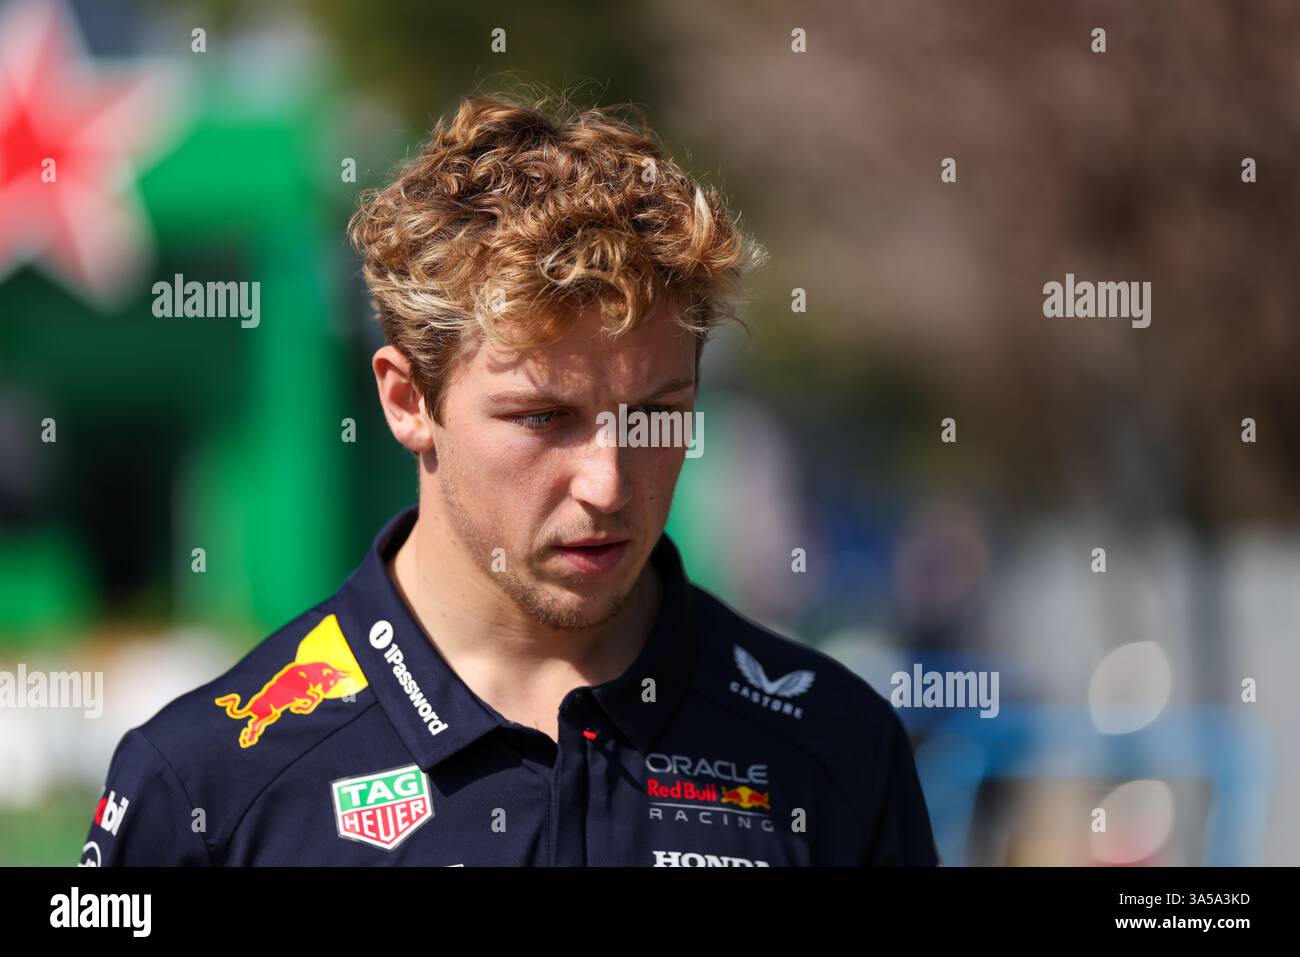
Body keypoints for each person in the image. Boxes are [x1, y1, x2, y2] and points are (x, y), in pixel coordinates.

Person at [79, 89, 940, 866]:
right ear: (408, 399)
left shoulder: (833, 746)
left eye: (654, 414)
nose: (607, 482)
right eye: (544, 418)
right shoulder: (208, 784)